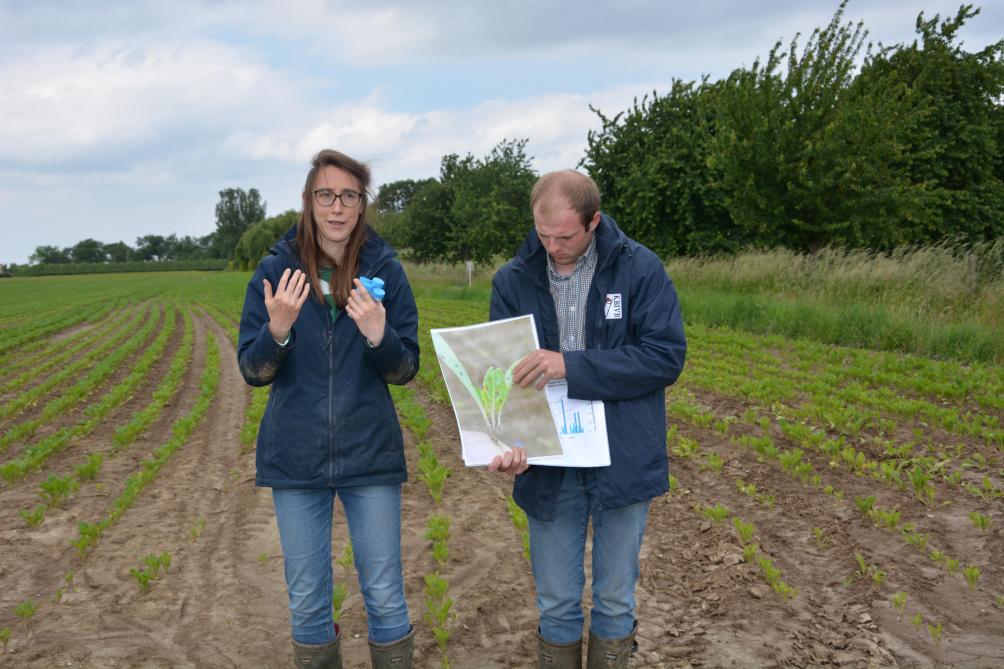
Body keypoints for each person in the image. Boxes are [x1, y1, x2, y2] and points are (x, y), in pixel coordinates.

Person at [488, 170, 686, 668]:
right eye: (543, 234)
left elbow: (665, 357)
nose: (552, 246)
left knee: (615, 602)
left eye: (566, 236)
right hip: (550, 465)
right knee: (556, 604)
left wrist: (570, 366)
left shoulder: (639, 270)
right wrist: (508, 443)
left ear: (594, 221)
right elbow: (498, 374)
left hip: (622, 457)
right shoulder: (512, 281)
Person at [237, 149, 419, 669]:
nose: (336, 207)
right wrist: (277, 331)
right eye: (325, 195)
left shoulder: (385, 270)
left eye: (348, 196)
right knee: (309, 599)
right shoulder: (276, 271)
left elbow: (405, 370)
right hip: (296, 457)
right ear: (309, 202)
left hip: (370, 453)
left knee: (384, 592)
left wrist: (380, 336)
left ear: (362, 205)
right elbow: (253, 371)